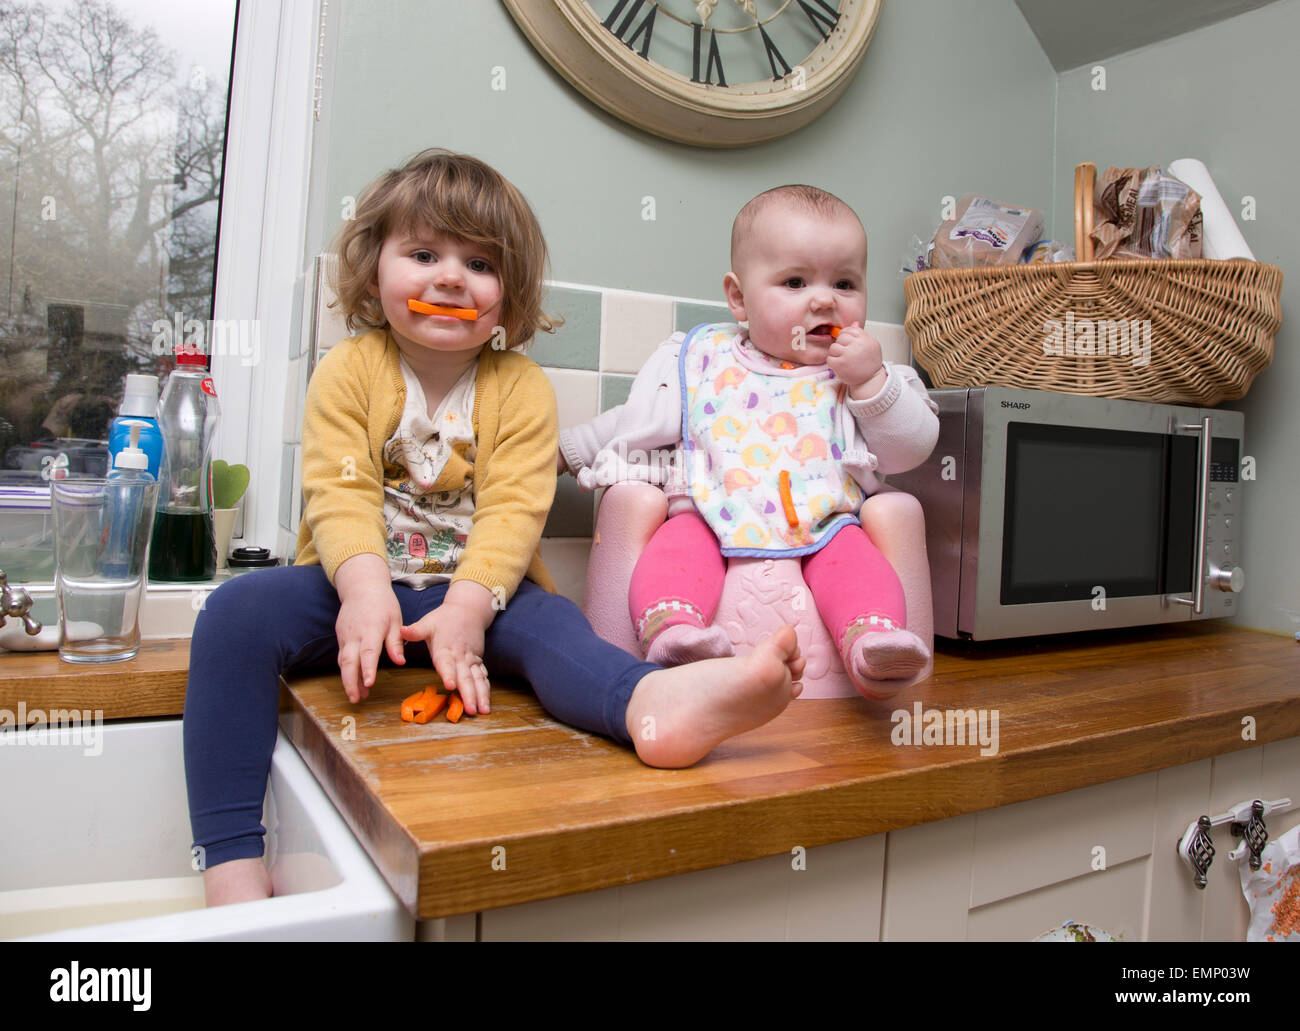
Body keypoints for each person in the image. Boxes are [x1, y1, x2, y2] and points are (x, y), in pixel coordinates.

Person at [183, 150, 805, 906]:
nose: (450, 277)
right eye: (422, 254)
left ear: (507, 292)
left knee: (559, 629)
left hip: (480, 597)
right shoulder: (349, 369)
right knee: (233, 616)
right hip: (358, 589)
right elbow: (336, 492)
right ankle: (230, 859)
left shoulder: (521, 386)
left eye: (478, 263)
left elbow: (514, 510)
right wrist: (364, 586)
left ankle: (653, 705)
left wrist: (472, 609)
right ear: (374, 267)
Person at [559, 185, 938, 699]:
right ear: (738, 297)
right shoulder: (702, 361)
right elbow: (638, 420)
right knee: (675, 551)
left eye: (845, 283)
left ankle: (872, 641)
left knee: (857, 564)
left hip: (825, 524)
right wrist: (565, 451)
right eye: (795, 281)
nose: (824, 298)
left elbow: (911, 448)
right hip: (708, 515)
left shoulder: (862, 376)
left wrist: (872, 385)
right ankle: (676, 632)